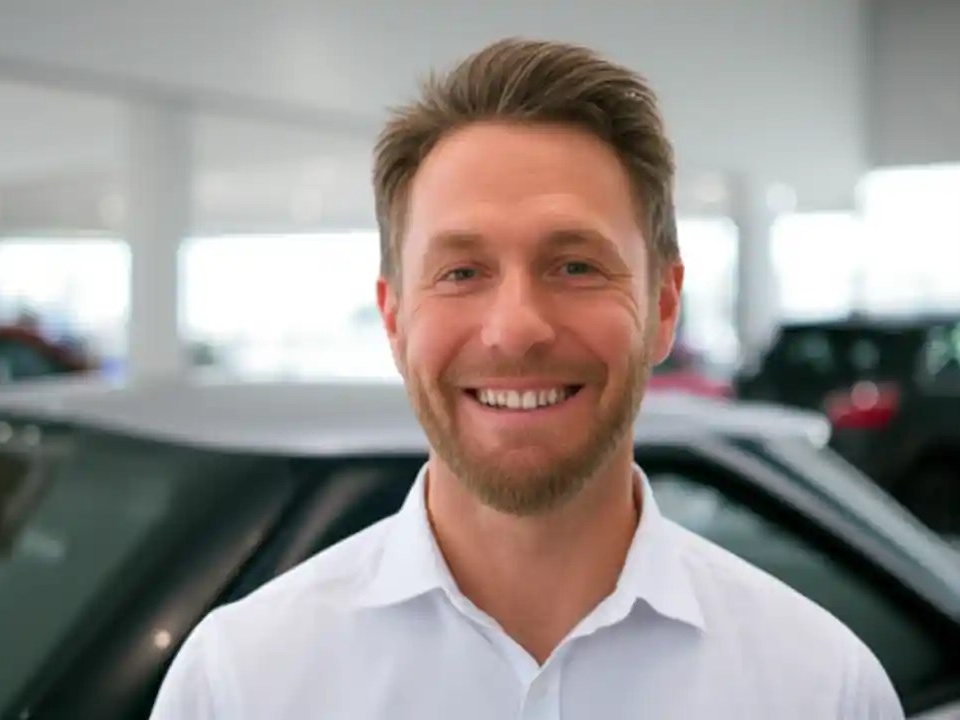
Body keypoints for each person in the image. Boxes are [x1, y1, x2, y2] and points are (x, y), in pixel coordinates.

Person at [150, 38, 903, 719]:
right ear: (394, 316)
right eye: (461, 271)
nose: (515, 328)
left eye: (575, 265)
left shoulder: (823, 689)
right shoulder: (240, 684)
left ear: (663, 305)